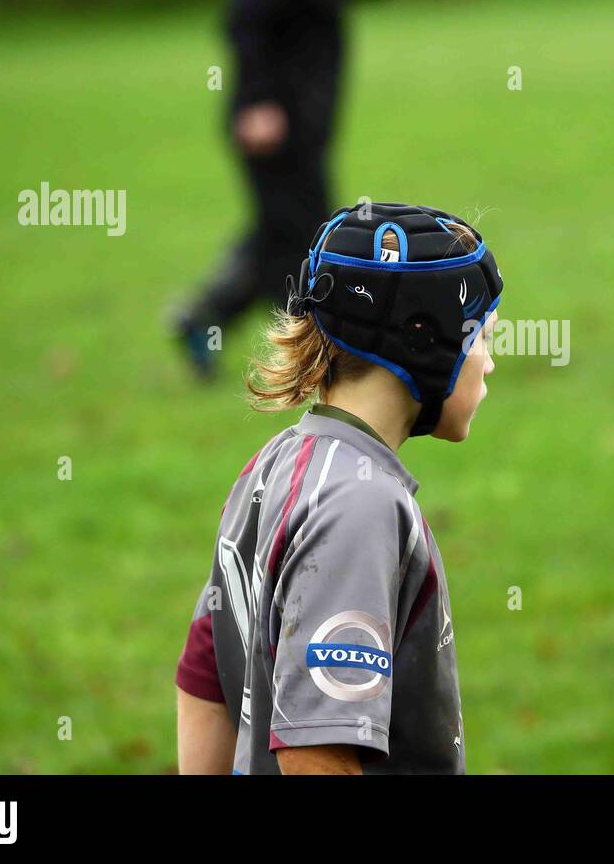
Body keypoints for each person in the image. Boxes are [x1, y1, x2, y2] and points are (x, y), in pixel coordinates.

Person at [174, 202, 502, 772]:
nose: (490, 363)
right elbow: (316, 753)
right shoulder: (361, 505)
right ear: (426, 340)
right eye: (483, 337)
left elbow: (205, 675)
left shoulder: (273, 465)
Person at [173, 0, 385, 378]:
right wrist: (258, 102)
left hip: (307, 120)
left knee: (282, 228)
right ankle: (315, 353)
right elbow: (244, 27)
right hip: (270, 122)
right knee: (306, 234)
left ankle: (204, 318)